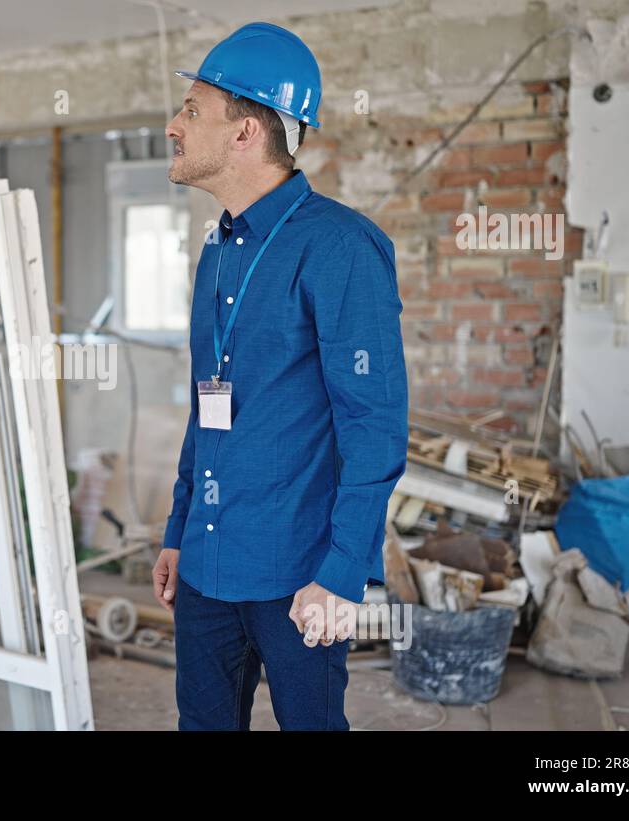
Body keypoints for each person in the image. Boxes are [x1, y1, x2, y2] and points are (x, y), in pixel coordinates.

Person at [152, 22, 408, 730]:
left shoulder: (341, 247)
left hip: (300, 574)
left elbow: (375, 425)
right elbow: (209, 408)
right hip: (207, 565)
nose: (174, 125)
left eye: (193, 111)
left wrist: (343, 571)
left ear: (244, 133)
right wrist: (178, 529)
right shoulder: (219, 251)